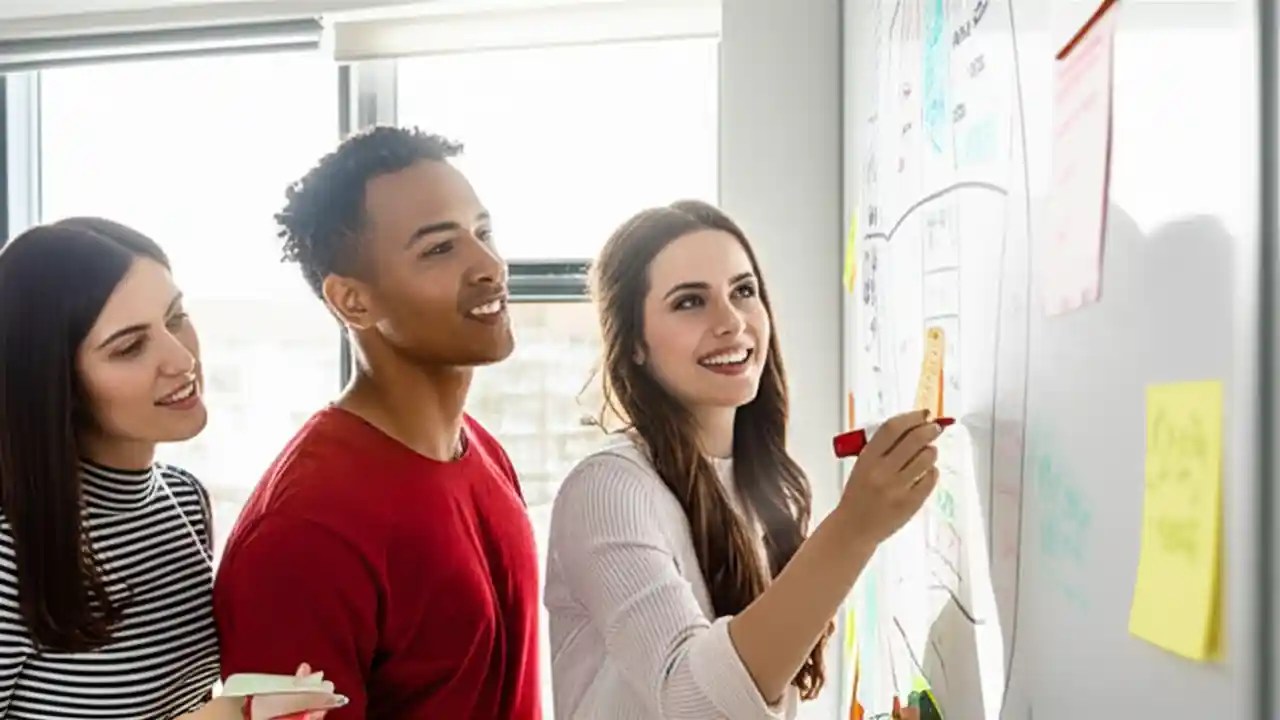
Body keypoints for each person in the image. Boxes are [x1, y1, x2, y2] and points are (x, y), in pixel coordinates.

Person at [543, 200, 941, 719]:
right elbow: (694, 704)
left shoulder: (757, 488)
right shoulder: (608, 489)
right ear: (635, 343)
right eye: (689, 302)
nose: (731, 321)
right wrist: (854, 528)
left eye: (743, 291)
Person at [213, 126, 540, 720]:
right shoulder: (305, 528)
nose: (490, 265)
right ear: (353, 302)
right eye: (440, 249)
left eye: (483, 233)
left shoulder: (482, 451)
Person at [0, 218, 338, 720]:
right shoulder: (12, 547)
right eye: (130, 347)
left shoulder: (184, 499)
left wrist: (247, 704)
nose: (182, 359)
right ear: (57, 384)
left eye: (176, 317)